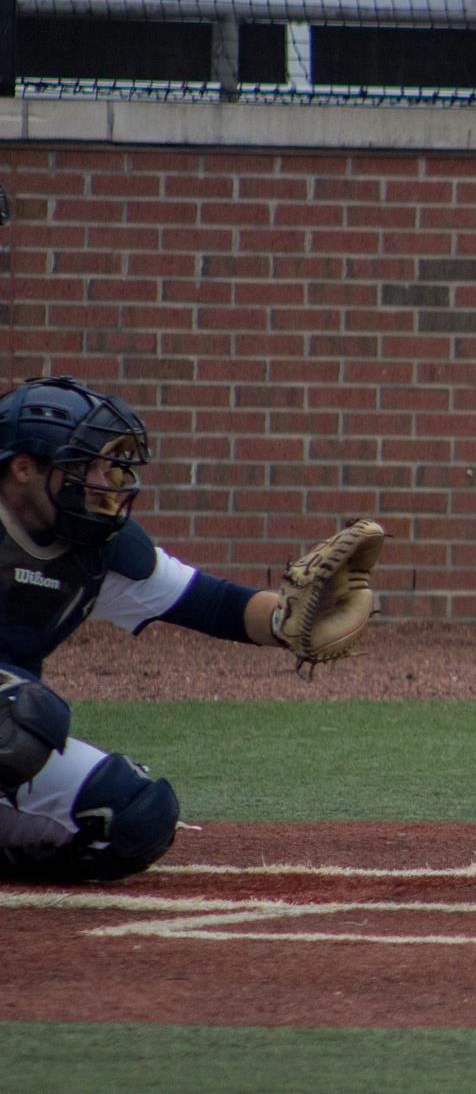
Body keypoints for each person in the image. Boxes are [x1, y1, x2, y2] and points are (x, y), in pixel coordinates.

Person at [0, 376, 386, 882]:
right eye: (80, 465)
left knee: (137, 816)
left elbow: (212, 602)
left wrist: (287, 621)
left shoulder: (94, 549)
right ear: (23, 468)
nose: (99, 480)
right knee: (25, 717)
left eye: (103, 464)